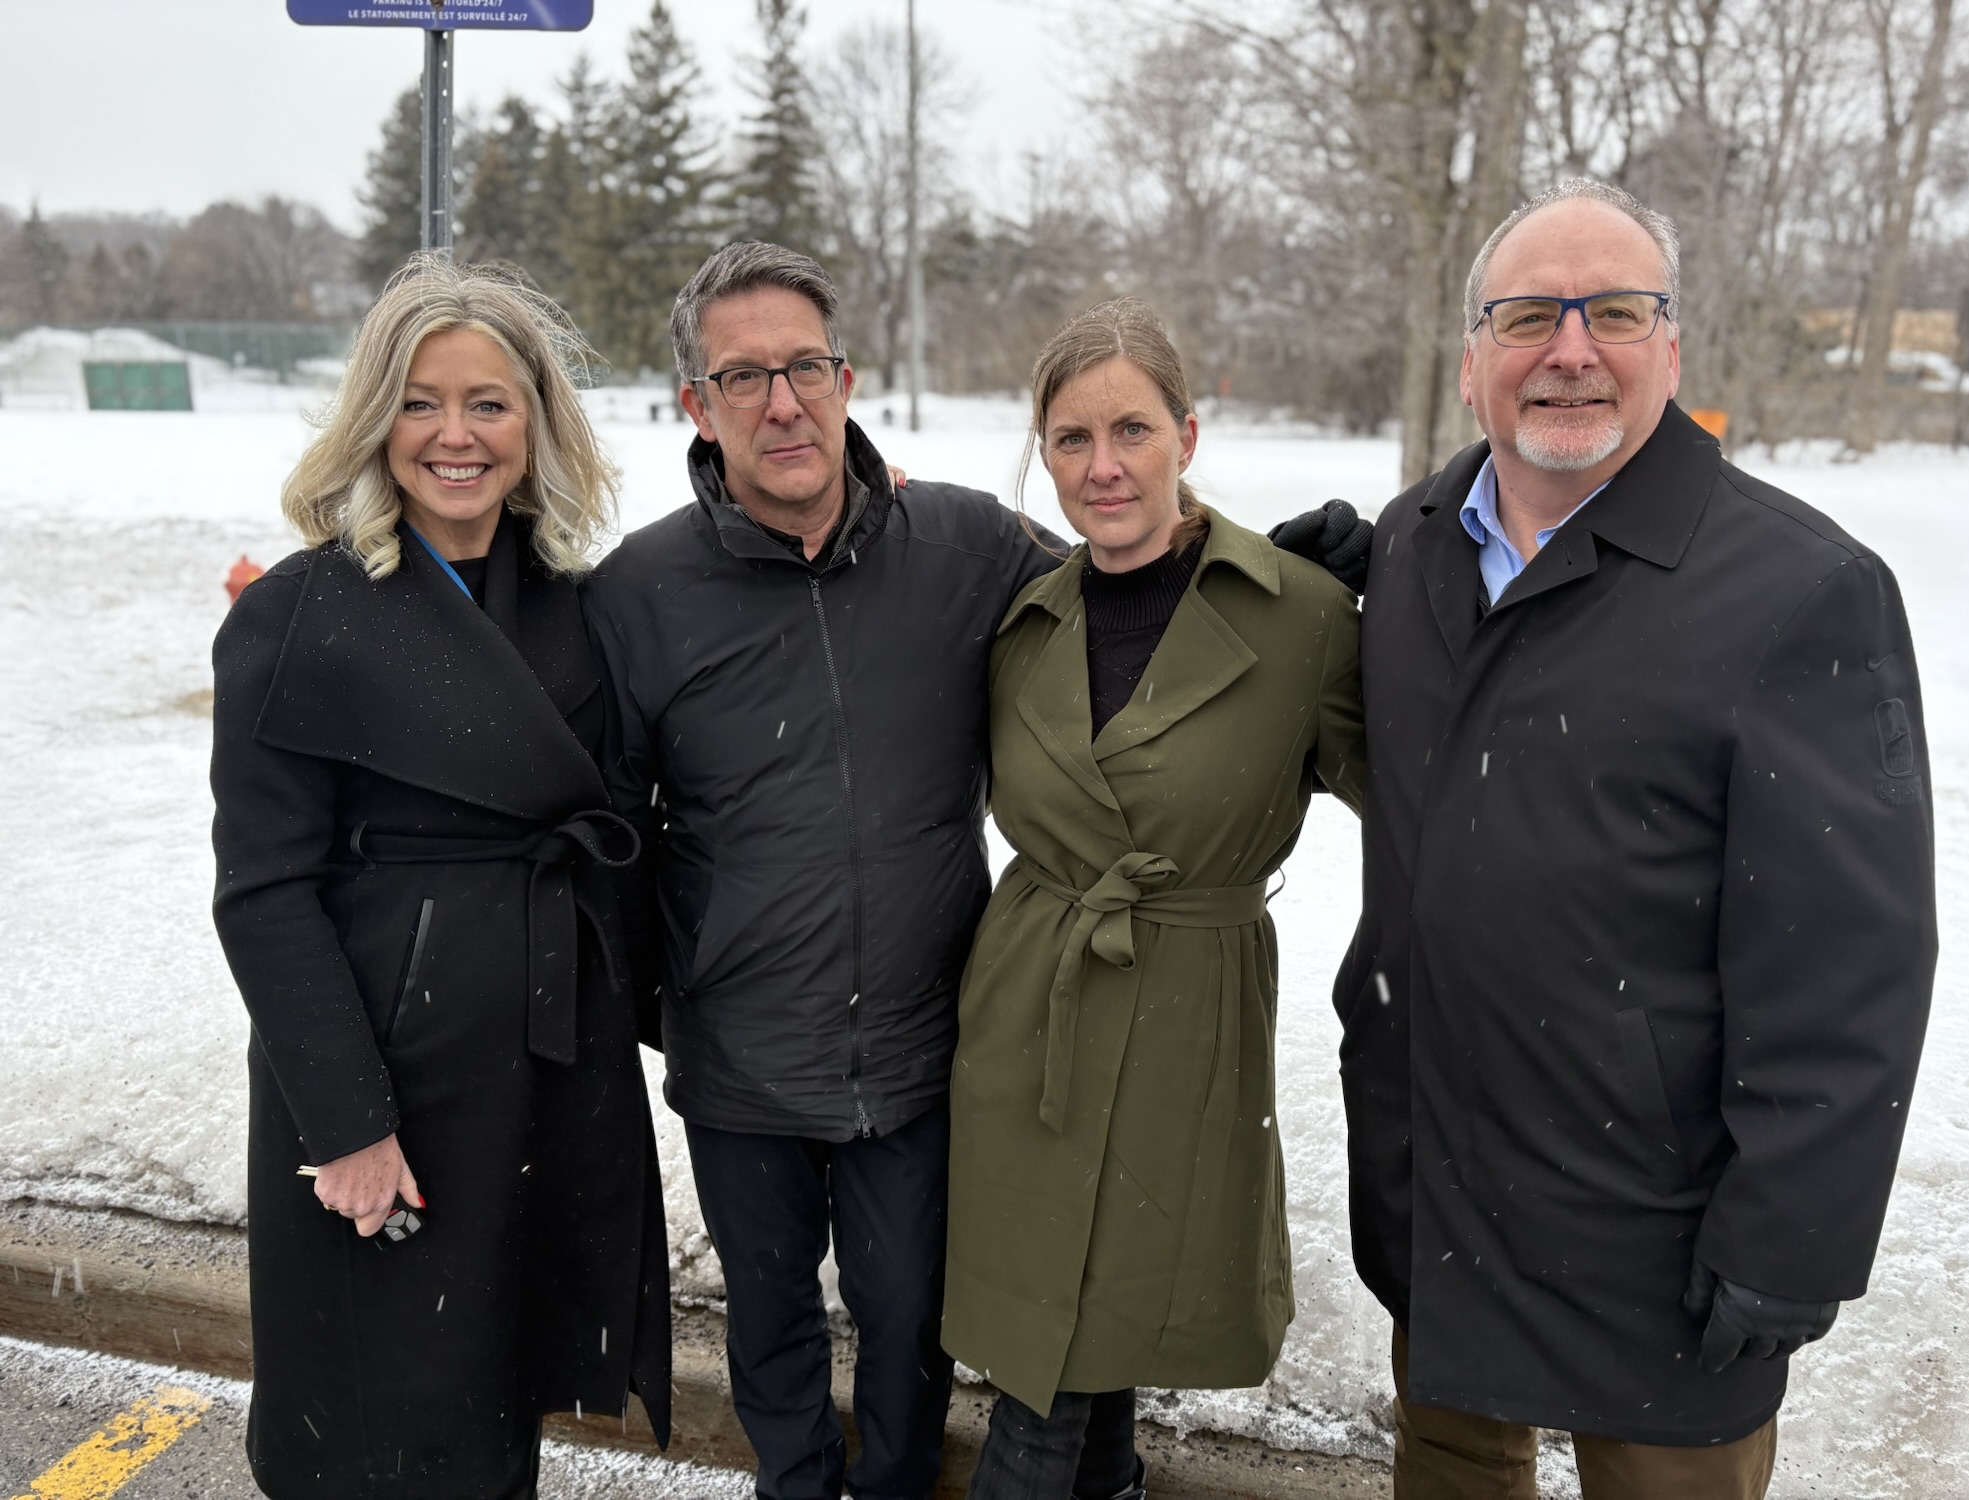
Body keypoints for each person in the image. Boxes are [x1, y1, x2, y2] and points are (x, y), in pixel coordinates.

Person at [586, 242, 1369, 1500]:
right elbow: (611, 827)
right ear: (696, 404)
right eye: (743, 377)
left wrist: (1281, 580)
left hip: (923, 1037)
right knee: (772, 1320)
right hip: (738, 1049)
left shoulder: (956, 544)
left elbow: (1133, 587)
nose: (781, 402)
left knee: (914, 1319)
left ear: (847, 378)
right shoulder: (638, 594)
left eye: (803, 367)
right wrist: (665, 1000)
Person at [1337, 177, 1937, 1499]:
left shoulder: (1797, 592)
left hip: (1661, 1248)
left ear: (1670, 347)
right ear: (1470, 362)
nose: (1568, 350)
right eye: (1526, 318)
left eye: (1613, 311)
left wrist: (1793, 1241)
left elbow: (1850, 968)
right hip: (1442, 1212)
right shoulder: (1415, 551)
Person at [210, 256, 674, 1499]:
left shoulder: (583, 609)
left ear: (536, 423)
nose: (455, 436)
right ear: (375, 419)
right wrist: (346, 1120)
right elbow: (263, 891)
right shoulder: (295, 617)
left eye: (489, 403)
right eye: (421, 402)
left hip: (536, 1066)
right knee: (369, 1409)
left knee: (488, 1399)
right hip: (381, 1077)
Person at [940, 297, 1366, 1500]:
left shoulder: (1299, 616)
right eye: (1069, 440)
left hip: (1187, 1010)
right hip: (1031, 1010)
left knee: (1091, 1331)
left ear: (1189, 432)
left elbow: (1425, 795)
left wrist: (1426, 598)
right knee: (1048, 1340)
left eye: (1130, 430)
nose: (1102, 466)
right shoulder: (1020, 621)